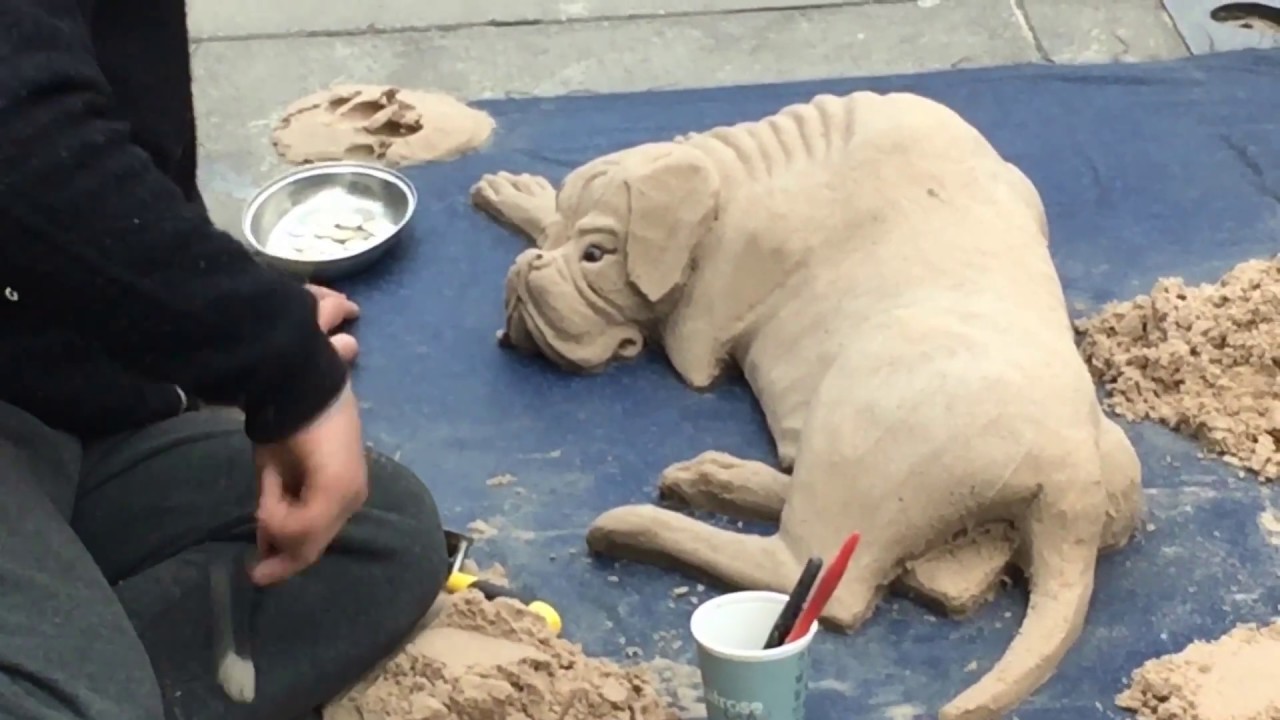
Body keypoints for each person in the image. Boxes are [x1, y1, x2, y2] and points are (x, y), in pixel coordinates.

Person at [0, 1, 450, 718]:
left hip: (48, 406)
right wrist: (267, 355)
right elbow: (20, 135)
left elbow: (99, 130)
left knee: (371, 531)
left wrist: (200, 297)